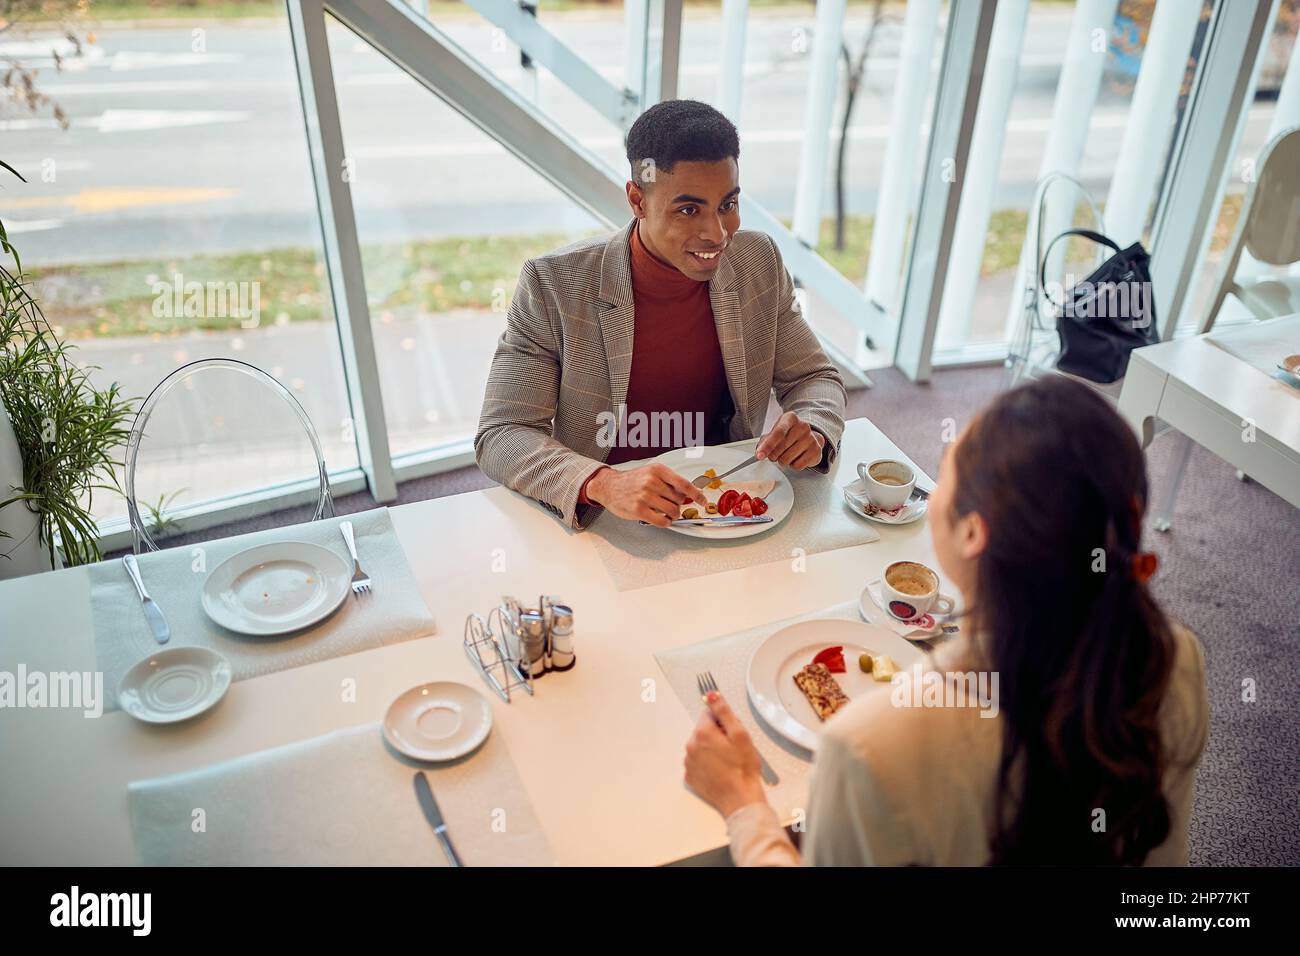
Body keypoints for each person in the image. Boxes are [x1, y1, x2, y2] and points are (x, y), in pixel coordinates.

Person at [683, 376, 1210, 865]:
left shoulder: (871, 743)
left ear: (972, 534)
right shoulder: (1176, 656)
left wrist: (743, 801)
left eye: (946, 467)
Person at [474, 99, 847, 530]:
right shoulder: (554, 284)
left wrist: (815, 429)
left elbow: (814, 378)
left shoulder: (756, 260)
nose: (717, 233)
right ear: (638, 200)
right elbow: (503, 433)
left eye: (727, 204)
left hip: (724, 498)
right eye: (689, 210)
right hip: (607, 513)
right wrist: (603, 482)